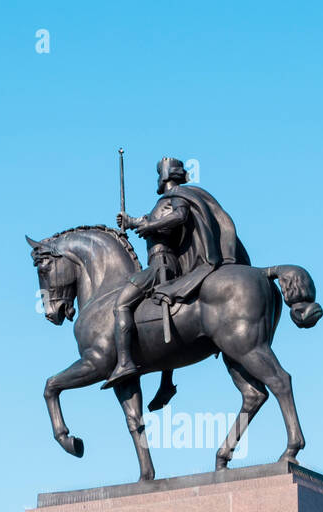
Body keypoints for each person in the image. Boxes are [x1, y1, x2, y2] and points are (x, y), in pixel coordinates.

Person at [106, 156, 249, 390]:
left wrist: (149, 226)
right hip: (165, 265)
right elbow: (146, 219)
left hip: (161, 266)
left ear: (163, 177)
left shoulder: (176, 198)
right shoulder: (164, 204)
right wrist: (129, 221)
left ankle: (124, 362)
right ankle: (166, 383)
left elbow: (179, 217)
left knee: (121, 303)